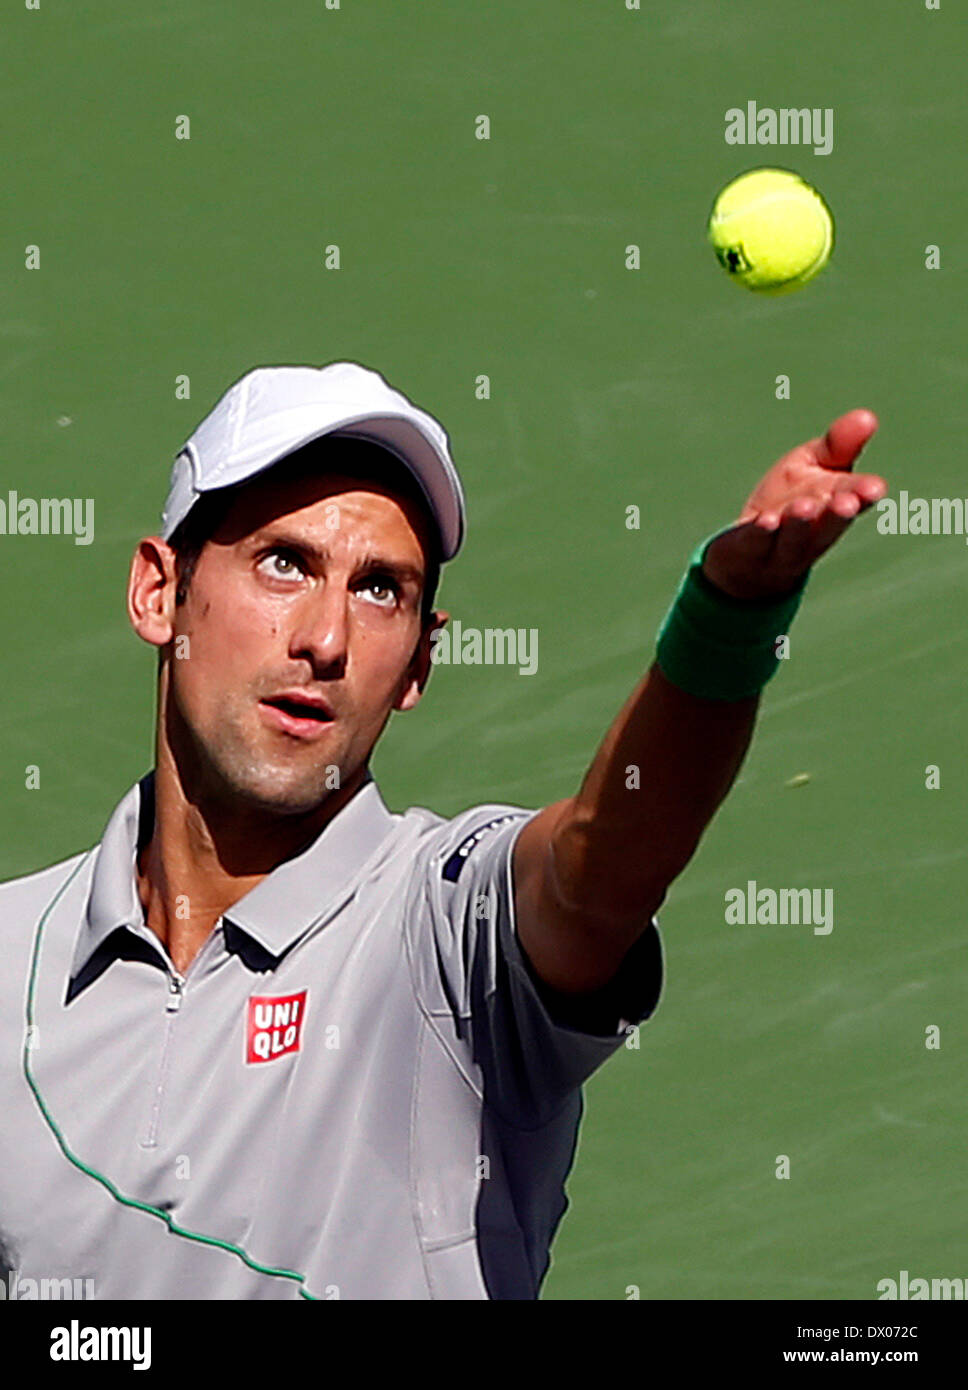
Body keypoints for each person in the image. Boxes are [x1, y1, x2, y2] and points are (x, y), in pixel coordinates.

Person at [0, 362, 886, 1300]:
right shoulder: (11, 954)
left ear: (420, 661)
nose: (327, 639)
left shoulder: (447, 932)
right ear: (158, 593)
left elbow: (602, 862)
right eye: (285, 562)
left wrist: (729, 618)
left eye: (381, 590)